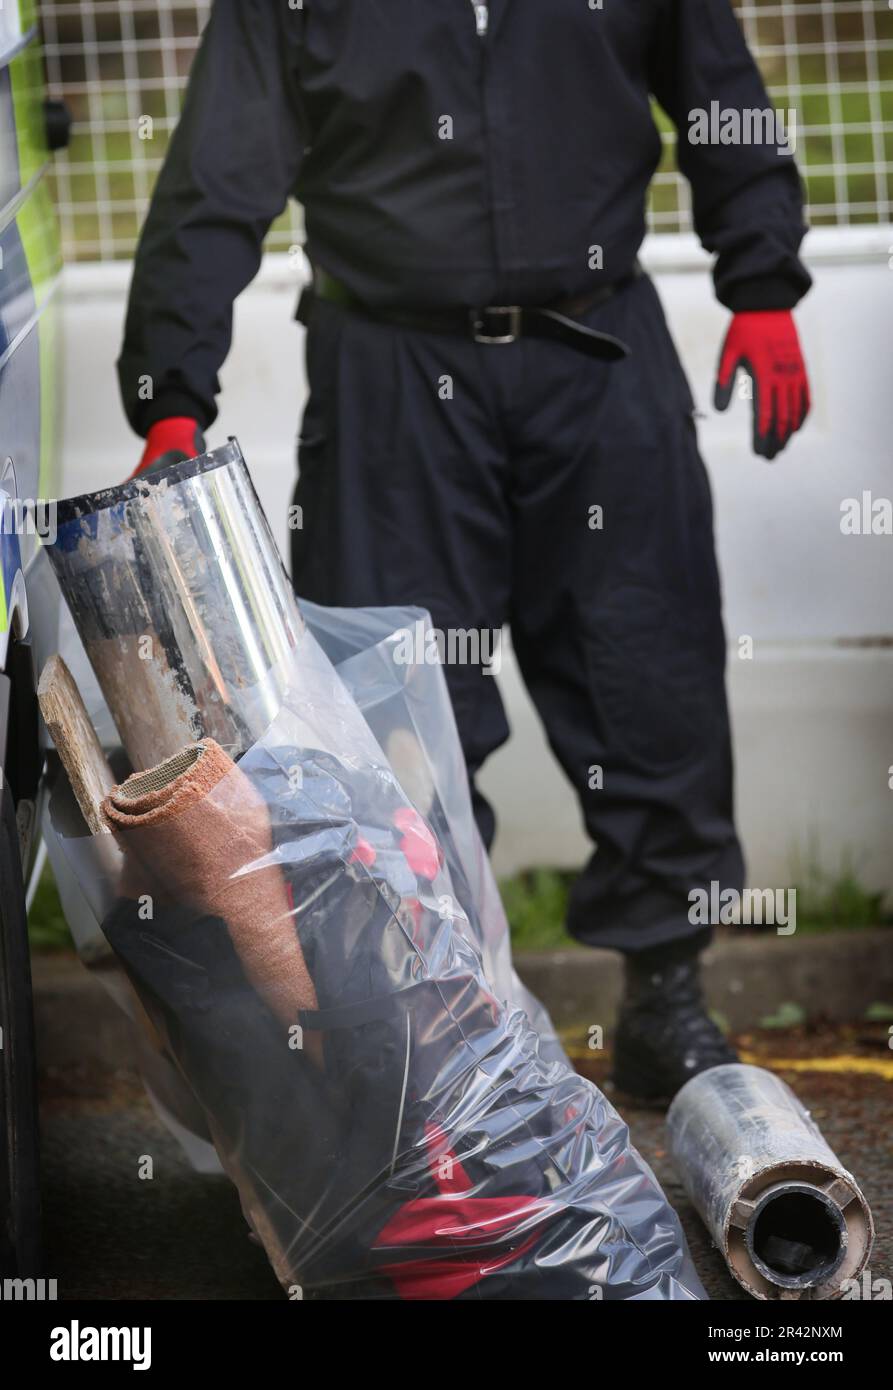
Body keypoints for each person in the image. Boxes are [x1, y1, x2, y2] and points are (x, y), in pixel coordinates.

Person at [118, 0, 812, 1102]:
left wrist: (761, 281)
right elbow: (219, 161)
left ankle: (663, 997)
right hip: (389, 373)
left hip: (598, 356)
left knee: (649, 676)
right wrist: (169, 387)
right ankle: (439, 1027)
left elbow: (719, 94)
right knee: (394, 719)